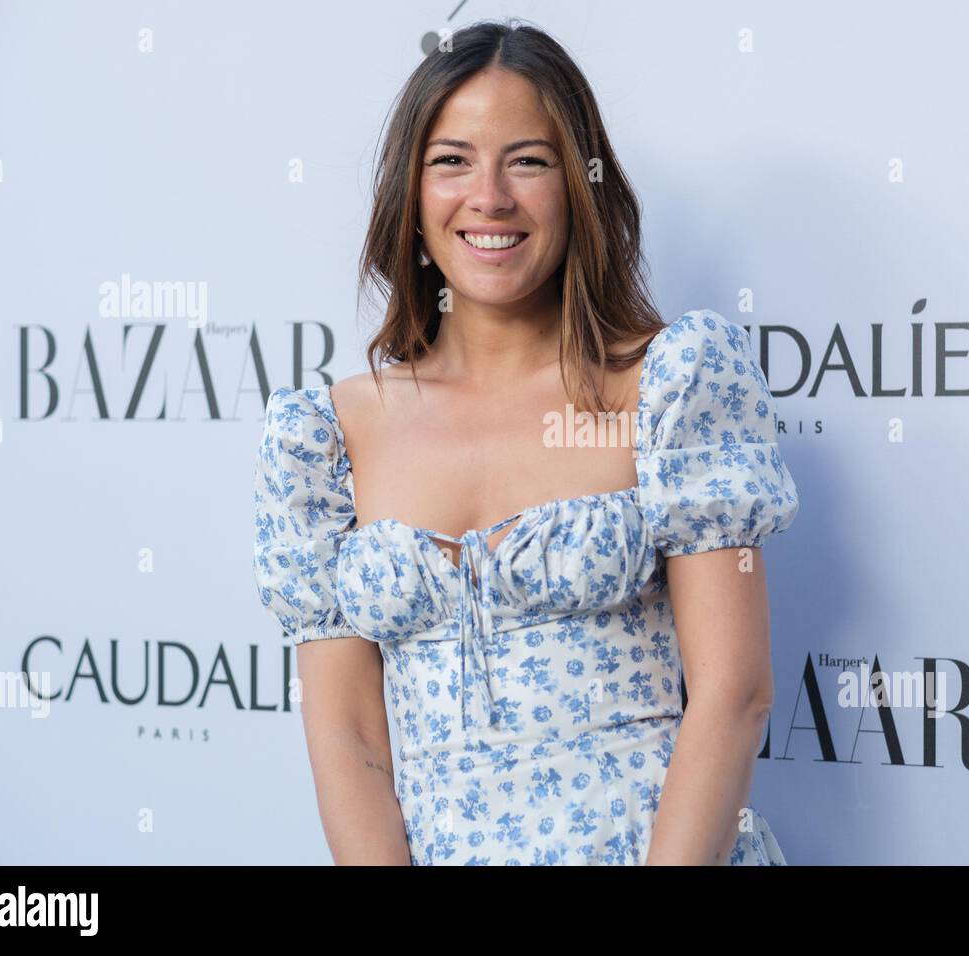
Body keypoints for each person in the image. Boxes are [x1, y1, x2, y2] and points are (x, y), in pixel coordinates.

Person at [252, 18, 799, 865]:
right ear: (412, 191)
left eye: (530, 160)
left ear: (581, 185)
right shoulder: (328, 437)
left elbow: (735, 695)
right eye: (452, 160)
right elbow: (349, 735)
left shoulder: (669, 384)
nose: (491, 196)